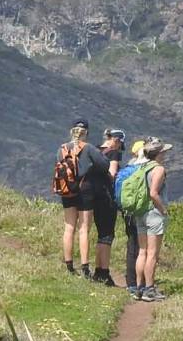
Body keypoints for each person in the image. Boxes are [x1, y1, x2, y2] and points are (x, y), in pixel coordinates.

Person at [55, 120, 111, 278]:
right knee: (84, 228)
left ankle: (69, 265)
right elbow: (104, 165)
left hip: (67, 190)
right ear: (86, 132)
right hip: (85, 189)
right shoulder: (88, 148)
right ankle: (85, 267)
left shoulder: (62, 149)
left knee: (69, 227)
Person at [134, 137, 173, 302]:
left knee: (142, 251)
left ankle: (139, 288)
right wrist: (163, 210)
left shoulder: (142, 167)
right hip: (153, 214)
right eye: (163, 151)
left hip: (140, 213)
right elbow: (153, 193)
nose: (165, 153)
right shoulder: (158, 169)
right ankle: (150, 289)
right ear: (158, 154)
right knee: (153, 254)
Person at [90, 127, 126, 286]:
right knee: (107, 235)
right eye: (120, 144)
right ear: (116, 141)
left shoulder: (95, 150)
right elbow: (111, 174)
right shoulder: (113, 153)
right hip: (107, 198)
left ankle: (98, 270)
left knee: (100, 235)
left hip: (92, 197)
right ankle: (103, 272)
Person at [115, 139, 148, 298]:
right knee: (143, 248)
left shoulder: (126, 170)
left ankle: (131, 282)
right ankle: (142, 283)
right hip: (141, 211)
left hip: (127, 211)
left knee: (132, 245)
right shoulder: (144, 170)